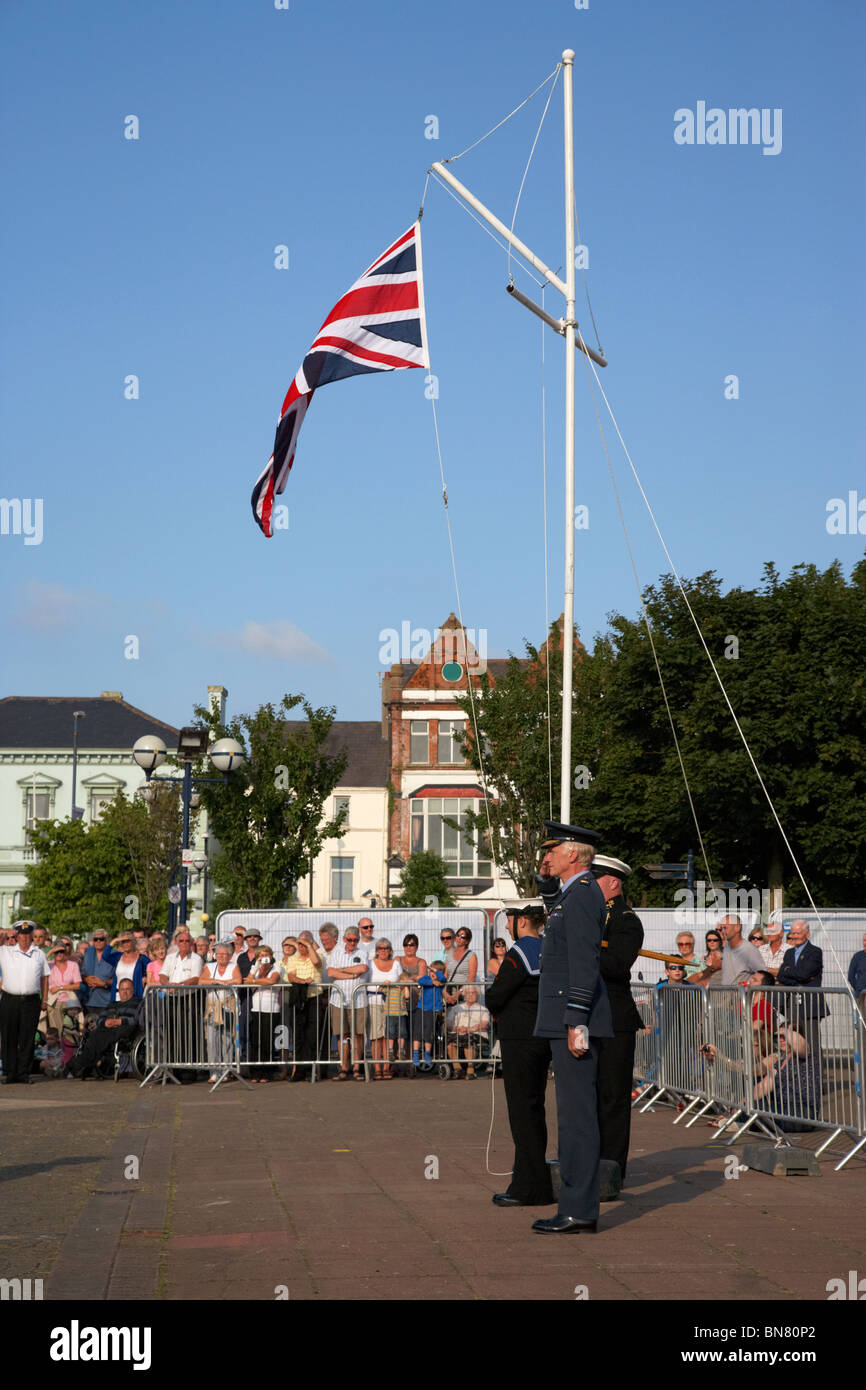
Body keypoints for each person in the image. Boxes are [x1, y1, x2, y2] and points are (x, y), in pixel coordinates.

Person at [531, 822, 613, 1234]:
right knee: (570, 1115)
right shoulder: (572, 894)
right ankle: (575, 1204)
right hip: (561, 1016)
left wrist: (577, 1020)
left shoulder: (583, 895)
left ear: (574, 855)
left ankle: (579, 1209)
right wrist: (544, 880)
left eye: (554, 850)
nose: (548, 856)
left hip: (572, 1017)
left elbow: (584, 961)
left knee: (577, 1118)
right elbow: (553, 912)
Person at [486, 904, 553, 1208]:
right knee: (534, 1111)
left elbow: (496, 994)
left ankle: (529, 1187)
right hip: (541, 1037)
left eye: (509, 921)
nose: (506, 928)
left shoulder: (520, 951)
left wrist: (496, 1004)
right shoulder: (548, 947)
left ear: (522, 921)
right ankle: (534, 1182)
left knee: (522, 1114)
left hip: (520, 1039)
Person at [592, 855, 645, 1197]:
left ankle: (611, 1171)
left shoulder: (626, 920)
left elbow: (616, 965)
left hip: (614, 1017)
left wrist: (586, 947)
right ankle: (590, 1163)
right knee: (591, 1095)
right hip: (591, 1017)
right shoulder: (593, 917)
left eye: (594, 879)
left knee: (613, 1098)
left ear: (612, 882)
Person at [0, 921, 50, 1084]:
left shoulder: (39, 954)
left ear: (31, 936)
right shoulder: (6, 951)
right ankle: (10, 1072)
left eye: (27, 934)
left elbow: (45, 977)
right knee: (9, 1037)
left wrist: (45, 999)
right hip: (10, 999)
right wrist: (5, 932)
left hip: (31, 1000)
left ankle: (23, 1072)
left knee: (27, 1037)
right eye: (21, 934)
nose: (24, 938)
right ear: (16, 936)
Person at [68, 978, 144, 1080]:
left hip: (126, 1030)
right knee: (95, 1033)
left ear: (133, 990)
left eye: (128, 989)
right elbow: (100, 1019)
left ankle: (78, 1064)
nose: (125, 992)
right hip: (108, 1029)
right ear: (119, 991)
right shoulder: (113, 1004)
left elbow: (138, 1020)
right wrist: (105, 1022)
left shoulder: (138, 1003)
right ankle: (86, 1063)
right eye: (122, 989)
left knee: (105, 1036)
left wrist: (121, 1021)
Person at [775, 920, 828, 1063]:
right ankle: (799, 1079)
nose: (795, 936)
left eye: (798, 933)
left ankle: (816, 1079)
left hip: (810, 1005)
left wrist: (791, 973)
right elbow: (781, 976)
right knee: (793, 1041)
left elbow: (804, 974)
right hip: (792, 1004)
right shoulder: (789, 953)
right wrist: (797, 978)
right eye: (792, 933)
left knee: (812, 1042)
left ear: (807, 933)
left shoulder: (815, 952)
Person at [325, 927, 369, 1079]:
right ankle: (344, 1067)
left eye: (355, 940)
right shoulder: (336, 953)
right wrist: (350, 974)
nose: (352, 943)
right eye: (349, 939)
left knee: (358, 1034)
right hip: (338, 999)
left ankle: (357, 1067)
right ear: (344, 939)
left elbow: (362, 968)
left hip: (358, 1000)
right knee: (342, 1035)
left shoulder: (362, 953)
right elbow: (331, 972)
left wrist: (341, 970)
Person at [283, 933, 323, 1079]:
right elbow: (291, 976)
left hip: (314, 998)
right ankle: (299, 1070)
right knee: (298, 1035)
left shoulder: (318, 955)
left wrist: (308, 945)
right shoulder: (293, 959)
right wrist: (303, 981)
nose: (300, 946)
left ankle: (310, 1070)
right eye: (299, 944)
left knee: (312, 1036)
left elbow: (317, 963)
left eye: (303, 944)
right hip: (299, 998)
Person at [200, 943, 241, 1080]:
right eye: (219, 954)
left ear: (230, 955)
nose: (222, 956)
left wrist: (224, 983)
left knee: (227, 1039)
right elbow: (201, 981)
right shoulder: (210, 966)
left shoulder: (233, 966)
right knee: (212, 1040)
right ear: (215, 955)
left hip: (228, 1006)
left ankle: (226, 1070)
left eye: (225, 954)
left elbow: (238, 980)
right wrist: (217, 981)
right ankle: (214, 1072)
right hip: (213, 1007)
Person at [690, 916, 764, 988]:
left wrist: (746, 985)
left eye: (725, 928)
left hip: (738, 998)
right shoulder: (727, 947)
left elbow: (763, 976)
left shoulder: (749, 949)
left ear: (737, 928)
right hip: (721, 996)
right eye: (721, 928)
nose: (722, 931)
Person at [247, 945, 281, 1081]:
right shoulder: (254, 969)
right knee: (255, 1040)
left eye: (266, 955)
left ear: (271, 956)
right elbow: (247, 982)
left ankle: (267, 1072)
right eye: (261, 956)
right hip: (256, 1007)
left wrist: (255, 980)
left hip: (271, 1008)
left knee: (267, 1041)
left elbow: (272, 980)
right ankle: (255, 1071)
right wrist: (257, 968)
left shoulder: (277, 967)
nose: (264, 958)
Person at [368, 939, 402, 1077]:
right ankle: (377, 1068)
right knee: (376, 1037)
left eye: (386, 948)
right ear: (376, 950)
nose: (383, 950)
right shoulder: (370, 964)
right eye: (380, 948)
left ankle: (387, 1066)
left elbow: (401, 982)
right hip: (373, 1001)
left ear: (390, 950)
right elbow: (364, 982)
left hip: (392, 1003)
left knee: (389, 1036)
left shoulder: (396, 964)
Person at [397, 934, 428, 1068]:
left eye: (412, 944)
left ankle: (411, 1064)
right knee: (399, 1032)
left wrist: (406, 979)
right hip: (398, 1000)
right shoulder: (397, 959)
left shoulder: (421, 962)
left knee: (412, 1032)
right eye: (406, 944)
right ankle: (397, 1064)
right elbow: (395, 977)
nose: (409, 947)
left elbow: (422, 978)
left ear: (417, 946)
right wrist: (413, 979)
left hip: (415, 1001)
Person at [414, 958, 446, 1069]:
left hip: (432, 1011)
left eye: (435, 972)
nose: (433, 974)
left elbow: (443, 978)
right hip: (421, 1008)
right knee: (417, 1032)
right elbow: (420, 980)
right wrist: (432, 981)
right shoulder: (427, 979)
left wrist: (435, 970)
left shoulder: (441, 982)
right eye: (431, 971)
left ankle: (427, 1053)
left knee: (429, 1033)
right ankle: (415, 1054)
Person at [44, 942, 82, 1034]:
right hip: (54, 1000)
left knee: (71, 1029)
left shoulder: (73, 965)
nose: (59, 954)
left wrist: (60, 987)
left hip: (69, 1000)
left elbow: (77, 985)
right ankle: (59, 1047)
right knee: (56, 1030)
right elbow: (39, 963)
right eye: (57, 952)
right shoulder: (49, 965)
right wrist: (52, 950)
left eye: (62, 951)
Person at [80, 930, 114, 1020]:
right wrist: (86, 979)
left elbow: (119, 978)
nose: (98, 941)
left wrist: (104, 983)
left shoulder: (114, 954)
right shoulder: (88, 952)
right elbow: (82, 973)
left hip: (107, 1000)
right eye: (96, 939)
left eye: (101, 939)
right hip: (88, 999)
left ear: (106, 940)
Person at [103, 932, 148, 999]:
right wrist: (115, 940)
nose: (126, 944)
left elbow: (153, 968)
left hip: (135, 996)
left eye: (128, 941)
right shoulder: (117, 957)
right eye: (123, 942)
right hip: (118, 997)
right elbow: (105, 955)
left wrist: (146, 978)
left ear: (133, 942)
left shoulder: (142, 958)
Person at [848, 932, 866, 1023]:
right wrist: (859, 989)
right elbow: (851, 976)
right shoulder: (858, 957)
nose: (865, 943)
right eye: (864, 940)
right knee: (861, 1022)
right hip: (861, 996)